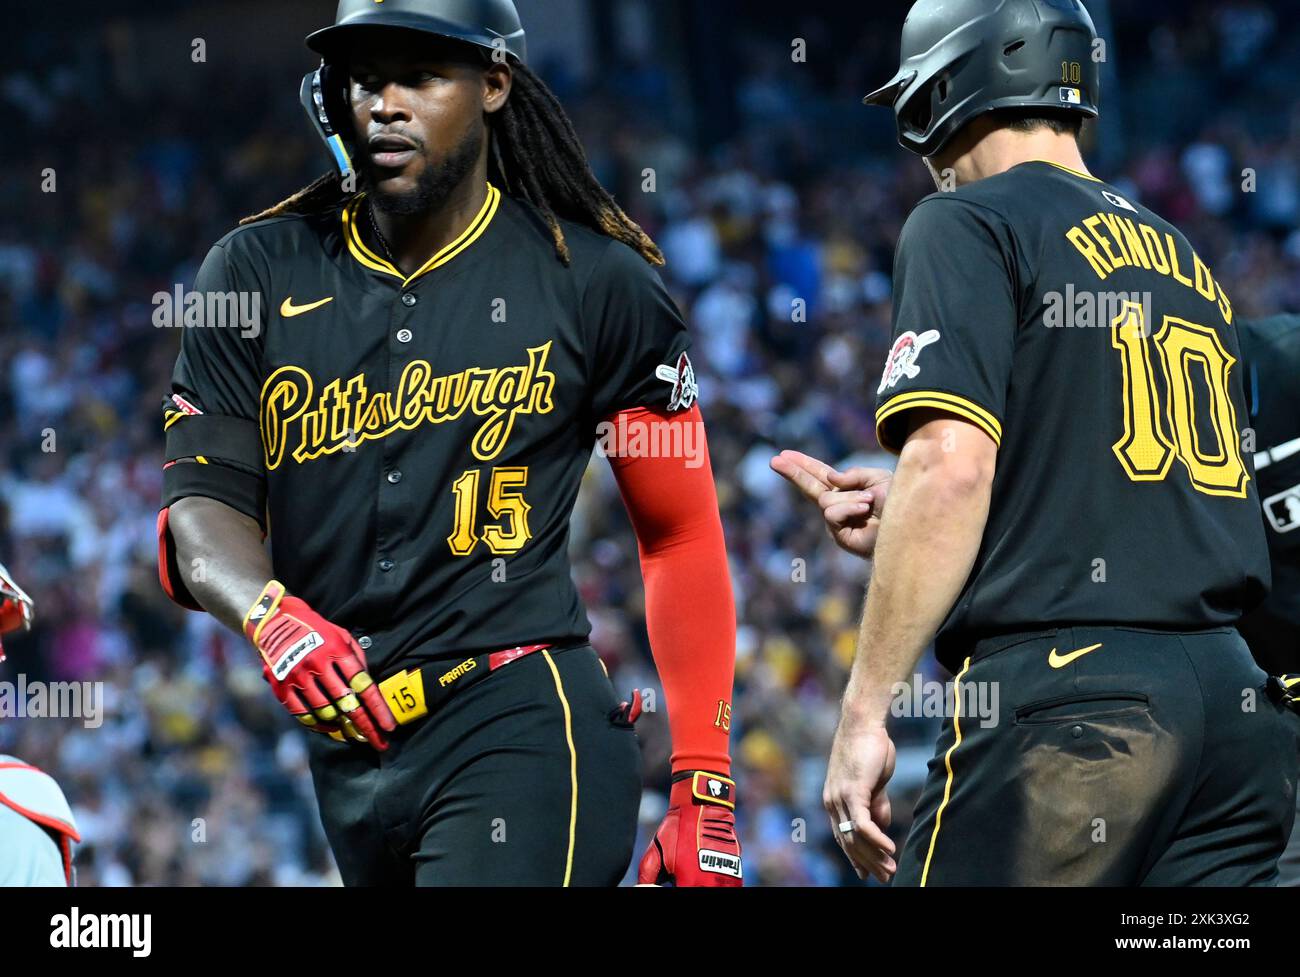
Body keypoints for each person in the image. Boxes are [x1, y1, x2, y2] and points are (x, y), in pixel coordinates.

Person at [157, 0, 740, 887]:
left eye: (421, 77)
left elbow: (679, 533)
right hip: (352, 757)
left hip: (523, 721)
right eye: (364, 81)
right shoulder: (252, 273)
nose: (385, 105)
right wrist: (265, 612)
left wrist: (705, 784)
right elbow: (201, 509)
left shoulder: (596, 281)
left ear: (494, 85)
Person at [773, 0, 1296, 885]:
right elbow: (1128, 494)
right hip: (1235, 714)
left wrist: (864, 712)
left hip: (1078, 709)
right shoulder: (1184, 258)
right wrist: (916, 517)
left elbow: (950, 465)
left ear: (946, 90)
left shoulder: (966, 220)